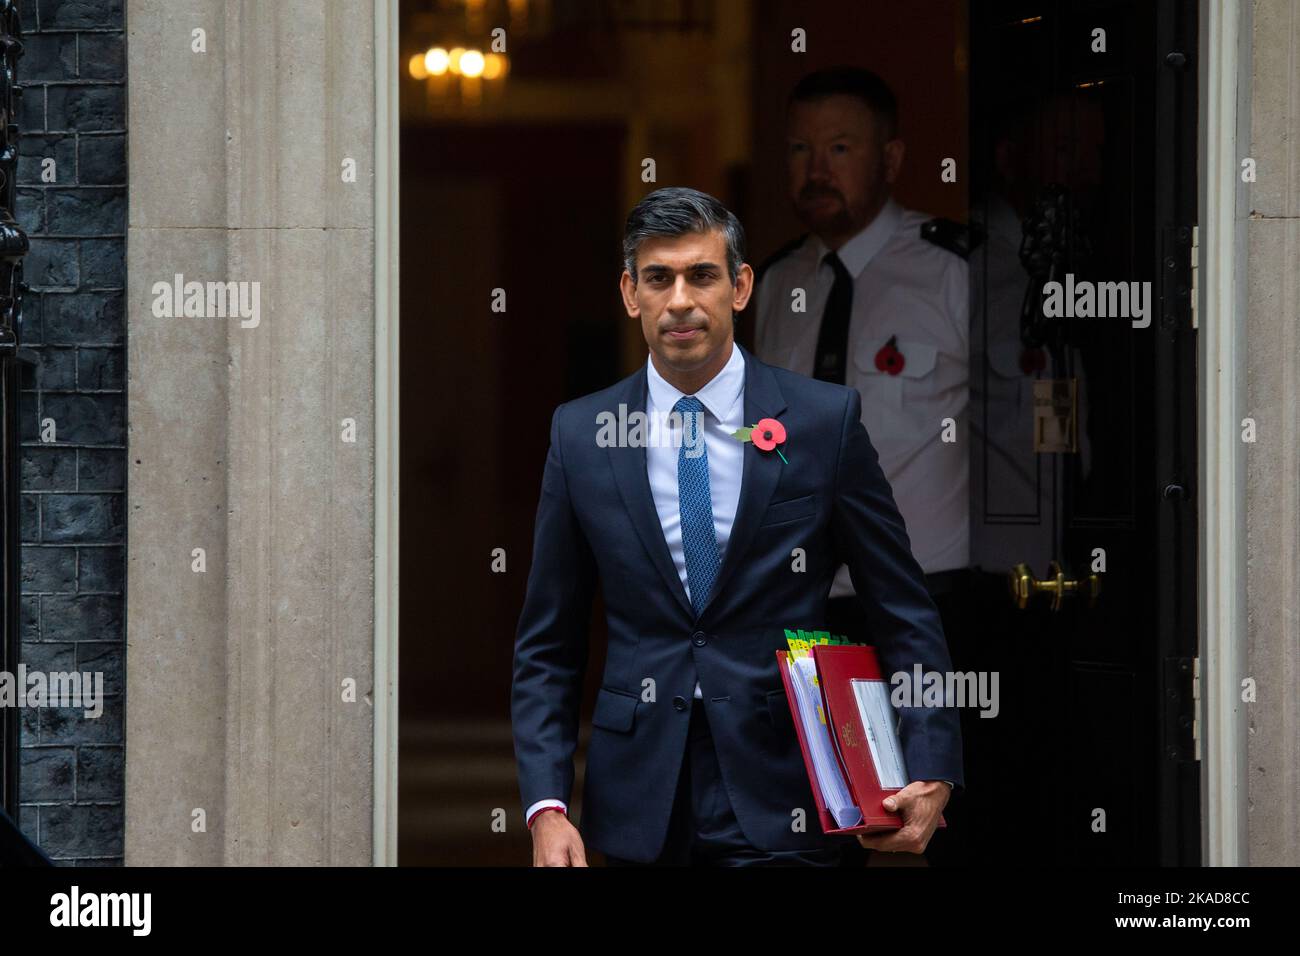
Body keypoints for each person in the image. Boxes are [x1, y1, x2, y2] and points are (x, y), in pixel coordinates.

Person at [511, 186, 962, 867]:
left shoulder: (822, 423)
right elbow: (549, 643)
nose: (681, 300)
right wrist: (545, 807)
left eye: (703, 275)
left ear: (741, 286)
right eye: (658, 279)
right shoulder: (582, 435)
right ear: (631, 293)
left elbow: (902, 609)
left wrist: (932, 764)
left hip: (792, 785)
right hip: (639, 799)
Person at [752, 67, 981, 866]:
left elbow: (1018, 446)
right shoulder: (776, 282)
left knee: (922, 829)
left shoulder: (958, 271)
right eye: (800, 149)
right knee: (815, 834)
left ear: (891, 159)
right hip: (805, 613)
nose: (815, 169)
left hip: (929, 610)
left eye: (840, 148)